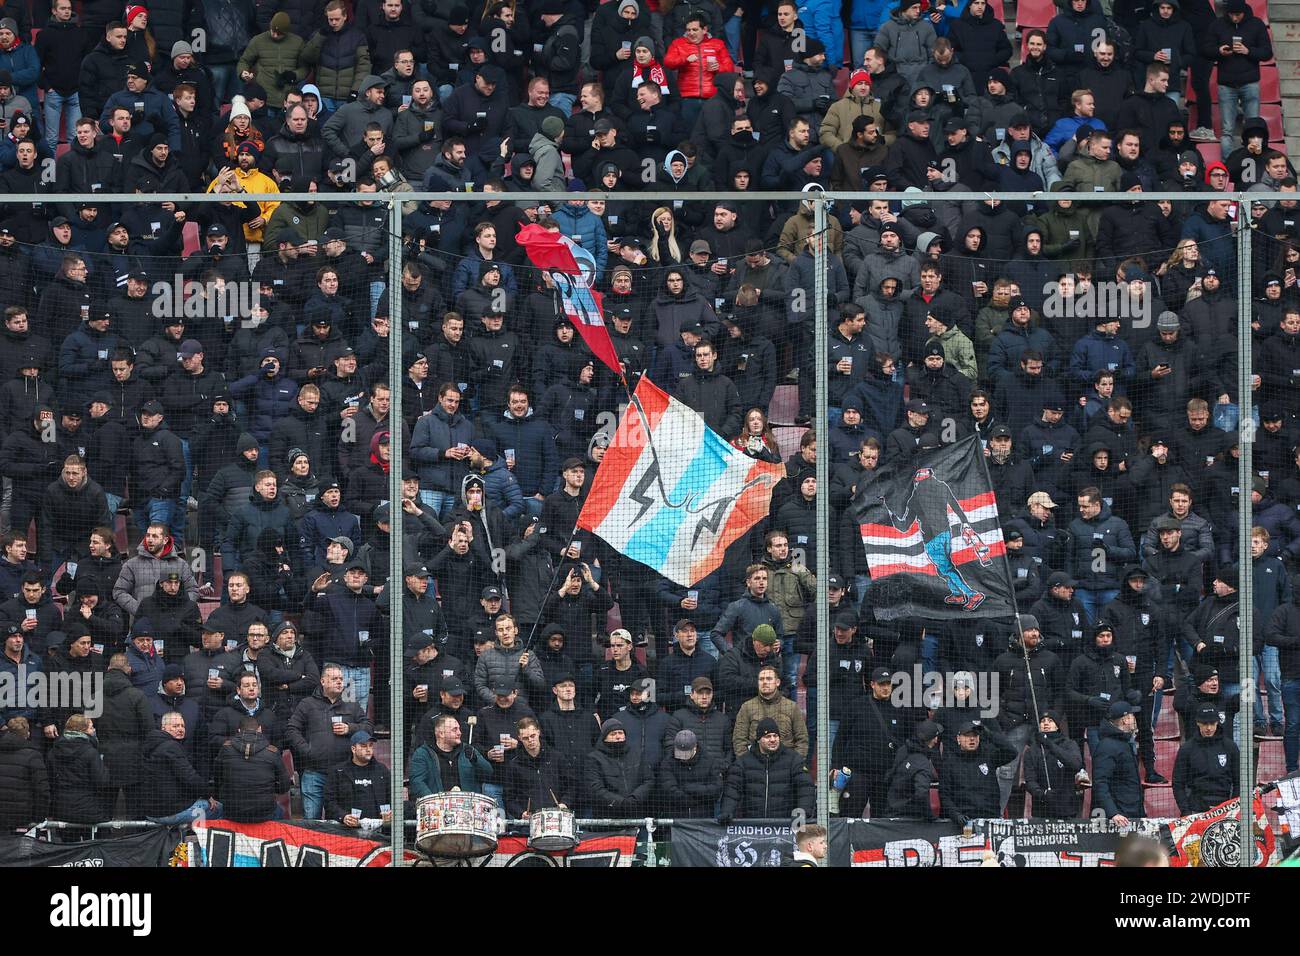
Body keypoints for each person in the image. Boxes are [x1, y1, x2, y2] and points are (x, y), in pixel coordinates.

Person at [285, 664, 373, 819]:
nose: (339, 682)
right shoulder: (307, 704)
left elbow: (368, 728)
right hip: (314, 772)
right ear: (323, 681)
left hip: (343, 774)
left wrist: (350, 728)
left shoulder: (351, 706)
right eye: (334, 679)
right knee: (312, 822)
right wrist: (307, 750)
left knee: (343, 821)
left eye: (340, 679)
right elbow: (292, 729)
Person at [718, 717, 815, 822]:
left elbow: (805, 788)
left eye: (775, 736)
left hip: (785, 825)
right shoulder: (743, 762)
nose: (773, 740)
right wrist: (726, 812)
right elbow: (732, 790)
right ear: (759, 740)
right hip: (752, 826)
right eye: (768, 736)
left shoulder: (793, 760)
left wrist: (802, 812)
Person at [142, 711, 220, 825]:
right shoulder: (171, 746)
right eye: (175, 726)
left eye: (182, 726)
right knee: (219, 808)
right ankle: (199, 842)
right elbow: (190, 777)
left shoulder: (153, 744)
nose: (180, 729)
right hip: (169, 811)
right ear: (163, 728)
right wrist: (208, 795)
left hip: (151, 811)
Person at [213, 715, 290, 822]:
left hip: (233, 812)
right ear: (260, 729)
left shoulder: (226, 749)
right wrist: (270, 787)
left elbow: (217, 779)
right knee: (280, 812)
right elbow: (284, 787)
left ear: (239, 730)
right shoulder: (272, 752)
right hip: (264, 813)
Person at [1171, 703, 1239, 814]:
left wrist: (1232, 808)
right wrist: (1186, 811)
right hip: (1196, 810)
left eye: (1212, 723)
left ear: (1217, 722)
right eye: (1204, 723)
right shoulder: (1187, 749)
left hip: (1225, 809)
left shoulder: (1230, 747)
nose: (1208, 728)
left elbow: (1239, 781)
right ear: (1198, 723)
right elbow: (1178, 783)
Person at [409, 712, 494, 799]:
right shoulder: (423, 754)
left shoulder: (468, 751)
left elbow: (488, 774)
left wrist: (475, 760)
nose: (459, 733)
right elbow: (417, 782)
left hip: (467, 806)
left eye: (459, 729)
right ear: (441, 734)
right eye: (454, 730)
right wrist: (434, 801)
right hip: (438, 808)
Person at [731, 663, 808, 758]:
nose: (764, 682)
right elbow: (739, 740)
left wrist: (795, 763)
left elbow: (802, 739)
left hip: (786, 764)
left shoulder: (791, 707)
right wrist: (747, 763)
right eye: (761, 679)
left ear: (778, 682)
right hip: (756, 764)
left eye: (769, 679)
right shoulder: (747, 707)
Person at [502, 716, 573, 818]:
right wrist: (521, 813)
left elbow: (571, 785)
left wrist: (565, 803)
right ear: (519, 738)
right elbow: (509, 797)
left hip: (557, 816)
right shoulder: (514, 765)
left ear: (538, 732)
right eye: (526, 738)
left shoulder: (557, 758)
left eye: (533, 735)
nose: (530, 740)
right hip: (530, 821)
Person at [582, 717, 654, 817]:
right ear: (604, 737)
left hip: (636, 812)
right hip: (606, 817)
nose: (618, 736)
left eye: (620, 733)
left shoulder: (637, 754)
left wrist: (635, 798)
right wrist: (621, 802)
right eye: (613, 734)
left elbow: (648, 780)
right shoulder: (594, 758)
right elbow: (595, 788)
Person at [1091, 701, 1146, 825]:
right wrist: (1113, 813)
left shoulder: (1124, 743)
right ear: (1125, 720)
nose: (1135, 719)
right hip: (1119, 817)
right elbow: (1100, 781)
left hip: (1131, 812)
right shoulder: (1107, 746)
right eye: (1132, 716)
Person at [325, 730, 393, 828]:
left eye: (370, 745)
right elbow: (329, 801)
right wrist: (343, 816)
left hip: (379, 830)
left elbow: (392, 797)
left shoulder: (382, 770)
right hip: (348, 831)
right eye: (363, 746)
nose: (368, 749)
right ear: (353, 749)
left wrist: (391, 813)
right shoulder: (338, 771)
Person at [656, 728, 724, 819]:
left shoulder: (710, 762)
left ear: (695, 747)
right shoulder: (668, 763)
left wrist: (691, 788)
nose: (682, 757)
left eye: (686, 753)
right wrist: (697, 799)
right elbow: (669, 790)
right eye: (680, 753)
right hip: (676, 818)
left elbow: (716, 789)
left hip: (703, 818)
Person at [0, 717, 48, 828]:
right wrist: (39, 818)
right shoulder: (33, 756)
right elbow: (42, 790)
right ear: (28, 733)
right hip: (23, 817)